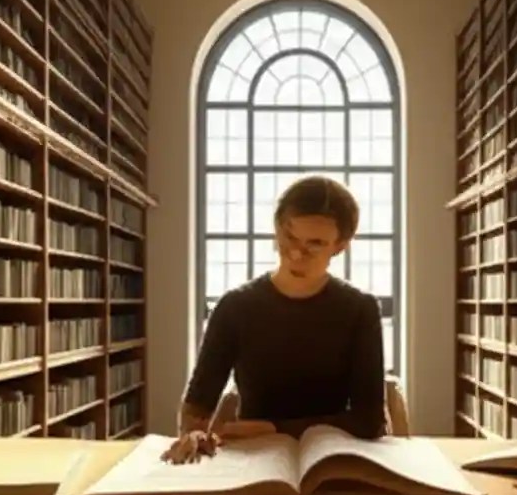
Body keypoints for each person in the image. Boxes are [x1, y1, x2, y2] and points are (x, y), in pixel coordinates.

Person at [162, 175, 386, 464]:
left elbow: (370, 421)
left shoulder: (360, 309)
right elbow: (198, 405)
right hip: (253, 459)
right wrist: (192, 435)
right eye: (289, 237)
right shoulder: (235, 307)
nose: (296, 254)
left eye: (315, 244)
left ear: (340, 246)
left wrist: (275, 428)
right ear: (277, 228)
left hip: (333, 458)